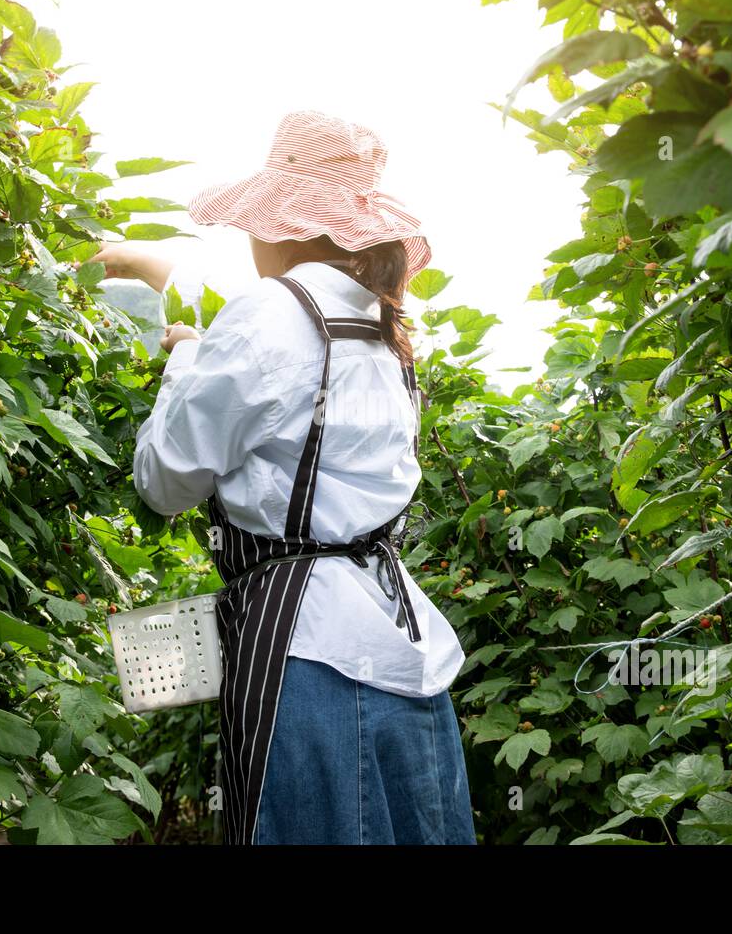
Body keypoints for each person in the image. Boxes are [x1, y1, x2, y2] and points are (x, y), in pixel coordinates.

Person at [91, 110, 476, 846]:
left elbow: (164, 481)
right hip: (403, 652)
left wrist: (181, 363)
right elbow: (275, 355)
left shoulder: (270, 313)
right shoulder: (382, 326)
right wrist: (153, 272)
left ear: (287, 224)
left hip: (311, 661)